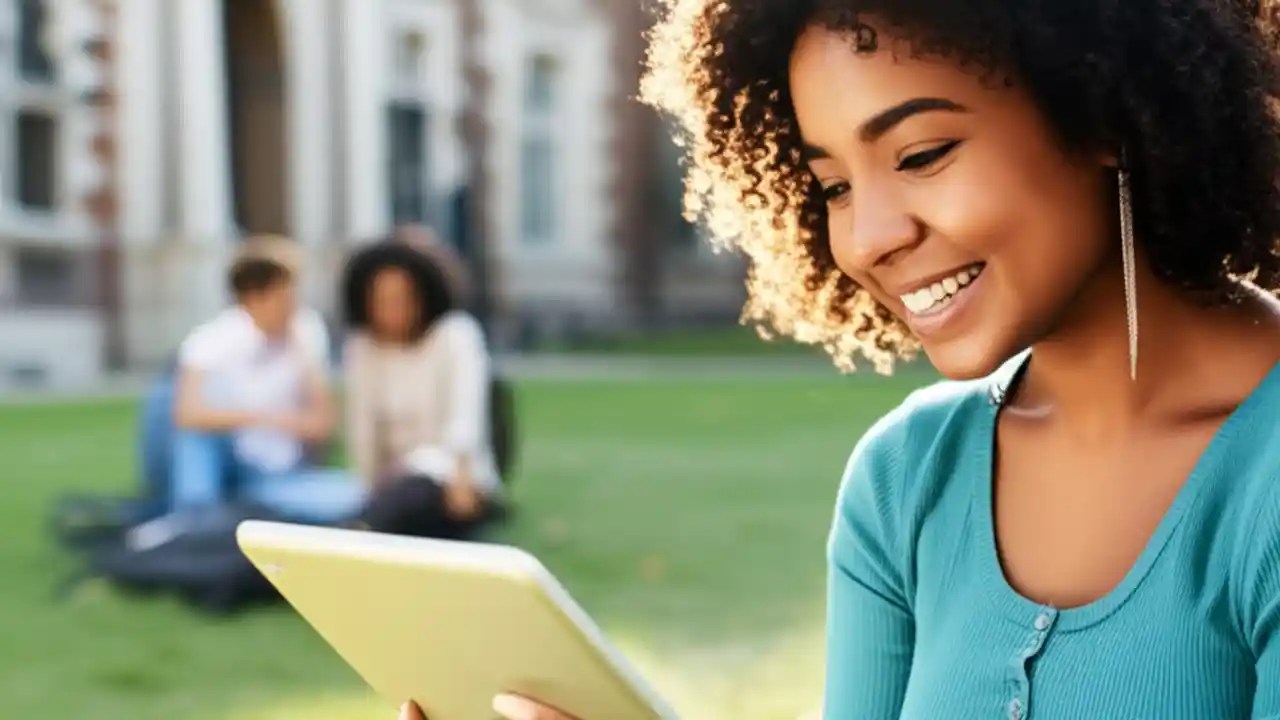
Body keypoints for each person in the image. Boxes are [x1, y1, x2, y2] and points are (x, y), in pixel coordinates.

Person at [403, 0, 1280, 718]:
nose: (869, 237)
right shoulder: (906, 479)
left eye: (922, 155)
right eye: (833, 185)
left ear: (1104, 113)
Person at [170, 235, 366, 525]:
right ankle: (194, 522)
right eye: (284, 295)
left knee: (358, 497)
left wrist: (302, 354)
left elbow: (322, 424)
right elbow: (188, 414)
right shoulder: (211, 341)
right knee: (198, 438)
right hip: (231, 463)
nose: (293, 304)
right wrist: (264, 419)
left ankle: (218, 520)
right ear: (253, 297)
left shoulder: (305, 331)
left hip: (281, 474)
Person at [341, 229, 502, 539]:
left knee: (407, 497)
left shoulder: (454, 336)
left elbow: (465, 414)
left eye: (401, 299)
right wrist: (368, 486)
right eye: (382, 301)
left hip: (447, 479)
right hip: (388, 487)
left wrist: (462, 472)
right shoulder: (363, 349)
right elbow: (362, 426)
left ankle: (355, 537)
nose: (392, 311)